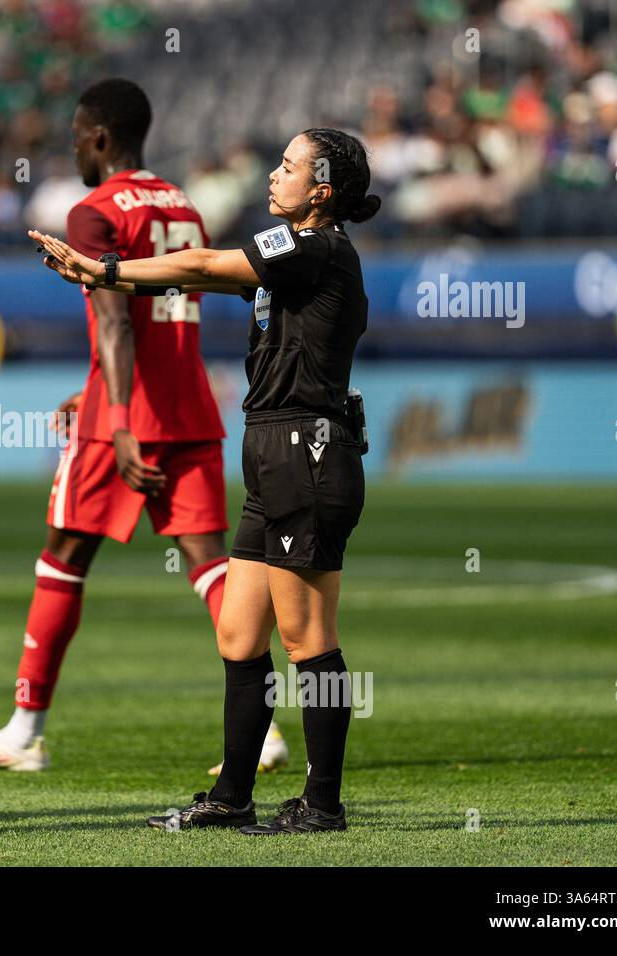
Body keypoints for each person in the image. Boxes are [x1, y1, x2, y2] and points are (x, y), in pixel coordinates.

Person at [31, 127, 378, 834]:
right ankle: (233, 798)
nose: (272, 176)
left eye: (287, 167)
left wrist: (108, 273)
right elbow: (198, 274)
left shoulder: (316, 247)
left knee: (309, 637)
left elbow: (202, 265)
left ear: (321, 190)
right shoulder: (299, 253)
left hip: (304, 452)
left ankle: (323, 805)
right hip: (274, 451)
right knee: (237, 633)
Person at [0, 78, 287, 775]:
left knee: (63, 555)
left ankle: (24, 733)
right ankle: (266, 730)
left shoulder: (93, 212)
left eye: (75, 134)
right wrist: (96, 386)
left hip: (124, 418)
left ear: (99, 138)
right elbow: (163, 313)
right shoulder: (183, 204)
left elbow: (112, 318)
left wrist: (119, 417)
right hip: (189, 404)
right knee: (210, 563)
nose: (72, 146)